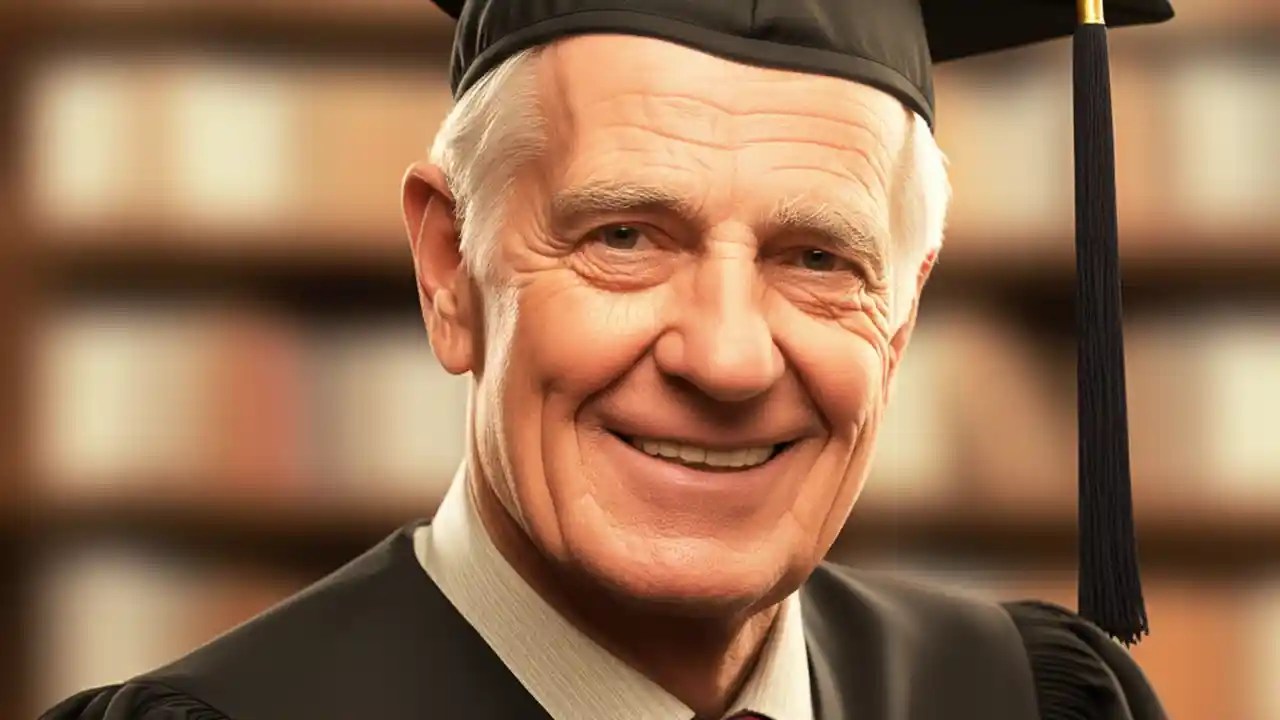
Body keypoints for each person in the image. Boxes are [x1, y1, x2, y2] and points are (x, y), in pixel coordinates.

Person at [43, 1, 1176, 718]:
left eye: (817, 257)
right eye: (624, 236)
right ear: (450, 271)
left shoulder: (1013, 702)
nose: (726, 358)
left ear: (903, 311)